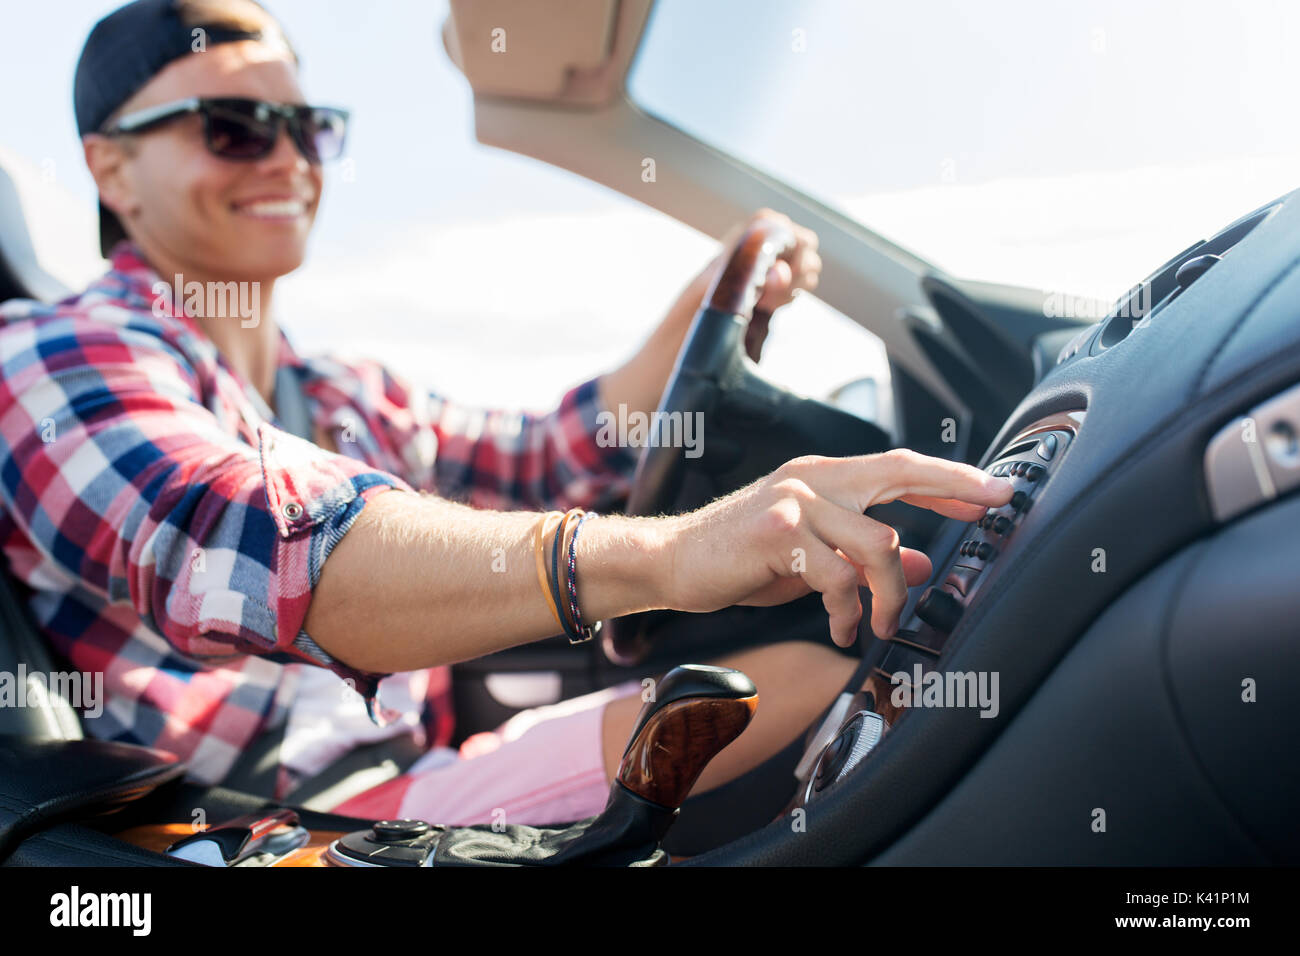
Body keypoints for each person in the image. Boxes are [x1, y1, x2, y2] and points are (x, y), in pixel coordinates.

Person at [0, 0, 1012, 828]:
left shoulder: (343, 388)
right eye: (235, 126)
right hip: (275, 826)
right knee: (818, 688)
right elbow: (252, 547)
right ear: (110, 166)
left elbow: (548, 454)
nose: (286, 159)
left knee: (820, 678)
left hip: (418, 775)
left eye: (308, 127)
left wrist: (709, 301)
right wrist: (672, 556)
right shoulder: (50, 357)